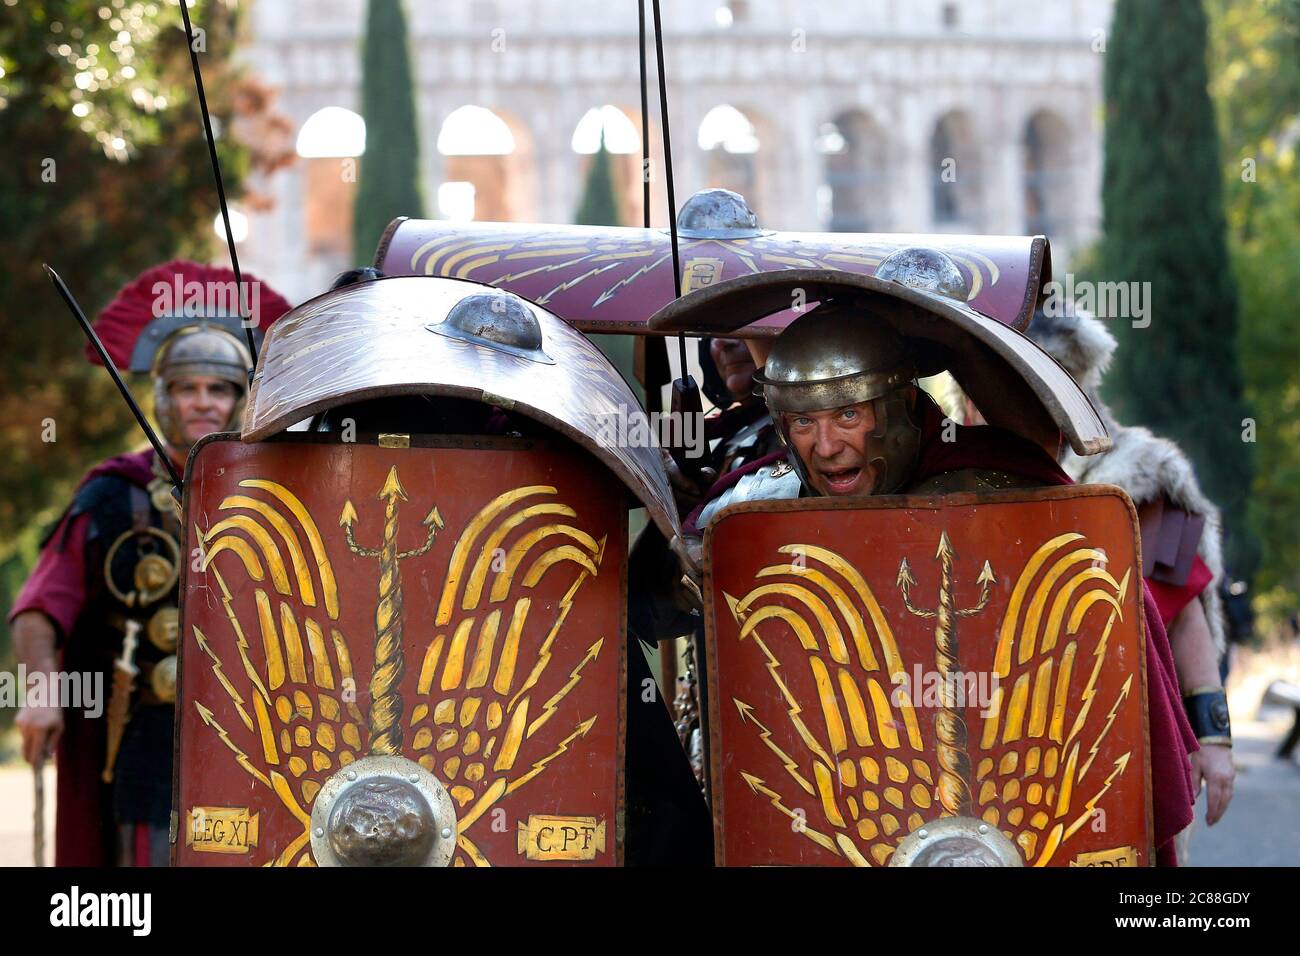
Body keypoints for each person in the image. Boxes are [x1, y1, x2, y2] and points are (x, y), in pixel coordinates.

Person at [681, 252, 1199, 865]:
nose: (825, 446)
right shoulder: (757, 508)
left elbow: (1113, 629)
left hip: (1005, 797)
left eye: (848, 413)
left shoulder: (1000, 486)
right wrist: (693, 567)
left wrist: (1210, 729)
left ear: (900, 407)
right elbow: (660, 606)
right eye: (801, 422)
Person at [9, 261, 291, 865]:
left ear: (241, 399)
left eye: (218, 390)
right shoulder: (114, 492)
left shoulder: (281, 492)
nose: (203, 404)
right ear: (162, 397)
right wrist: (39, 690)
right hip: (143, 752)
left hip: (260, 754)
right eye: (187, 389)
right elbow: (40, 607)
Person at [1027, 304, 1235, 839]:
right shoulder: (959, 480)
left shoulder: (1139, 472)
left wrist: (1213, 742)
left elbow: (1183, 615)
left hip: (1125, 737)